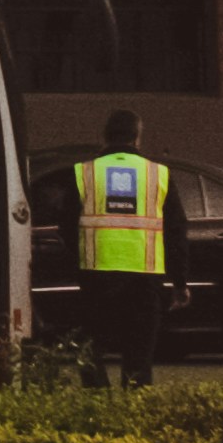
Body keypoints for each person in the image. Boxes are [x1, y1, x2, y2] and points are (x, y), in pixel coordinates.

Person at [70, 107, 183, 388]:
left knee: (89, 349)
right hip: (145, 280)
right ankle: (133, 413)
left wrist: (77, 265)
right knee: (139, 357)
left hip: (97, 277)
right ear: (137, 139)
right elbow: (177, 231)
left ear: (104, 138)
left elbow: (66, 225)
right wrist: (180, 282)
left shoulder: (84, 173)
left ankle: (97, 404)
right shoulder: (159, 174)